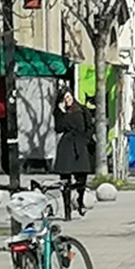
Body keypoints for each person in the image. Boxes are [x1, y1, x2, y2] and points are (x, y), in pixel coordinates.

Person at [53, 89, 94, 219]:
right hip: (66, 147)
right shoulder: (60, 112)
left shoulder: (82, 110)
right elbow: (58, 128)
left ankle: (80, 201)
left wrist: (85, 140)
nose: (68, 100)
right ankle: (67, 211)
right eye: (65, 98)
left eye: (69, 97)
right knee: (65, 181)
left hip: (80, 145)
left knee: (82, 179)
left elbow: (90, 127)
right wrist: (61, 112)